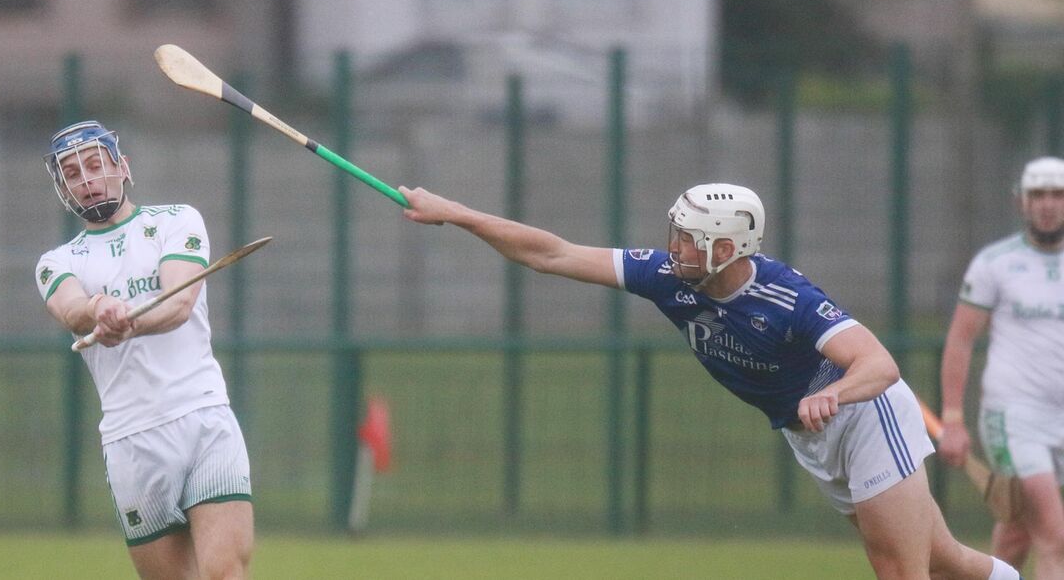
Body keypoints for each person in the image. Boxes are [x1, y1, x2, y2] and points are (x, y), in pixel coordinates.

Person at [399, 181, 1021, 580]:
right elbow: (552, 254)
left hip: (865, 418)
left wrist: (833, 392)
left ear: (727, 250)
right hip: (809, 434)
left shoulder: (786, 297)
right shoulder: (667, 277)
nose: (673, 248)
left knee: (900, 569)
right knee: (947, 561)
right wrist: (457, 214)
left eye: (688, 240)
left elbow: (879, 364)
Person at [35, 120, 253, 579]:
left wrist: (127, 324)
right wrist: (97, 308)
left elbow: (178, 304)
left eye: (95, 165)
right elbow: (71, 310)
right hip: (131, 440)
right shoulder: (57, 261)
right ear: (63, 189)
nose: (87, 180)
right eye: (72, 174)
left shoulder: (176, 221)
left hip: (203, 418)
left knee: (225, 573)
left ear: (123, 166)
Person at [939, 156, 1064, 578]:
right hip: (1014, 416)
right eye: (1038, 195)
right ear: (1021, 202)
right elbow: (961, 339)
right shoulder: (995, 264)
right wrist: (953, 419)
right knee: (1054, 535)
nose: (1048, 204)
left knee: (1017, 533)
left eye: (1057, 194)